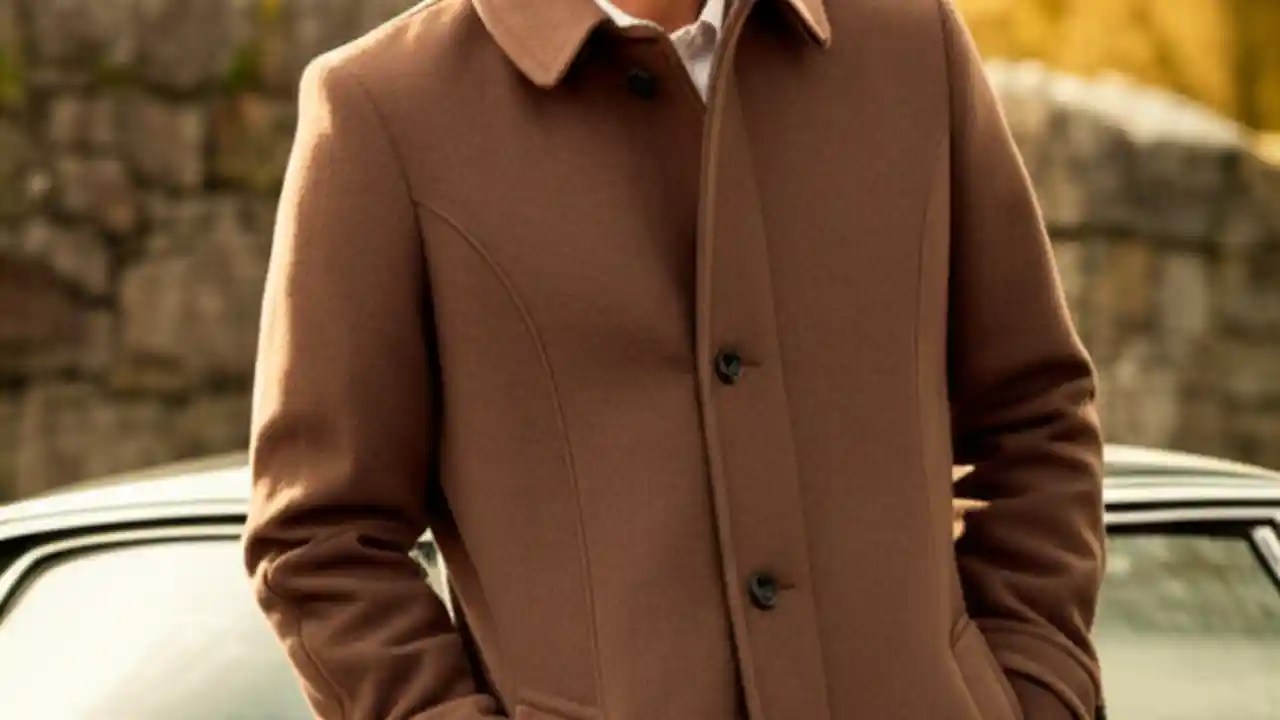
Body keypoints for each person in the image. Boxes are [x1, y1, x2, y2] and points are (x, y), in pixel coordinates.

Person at [244, 0, 1107, 718]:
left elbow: (1035, 417)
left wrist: (1035, 689)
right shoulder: (385, 108)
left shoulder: (912, 45)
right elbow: (321, 540)